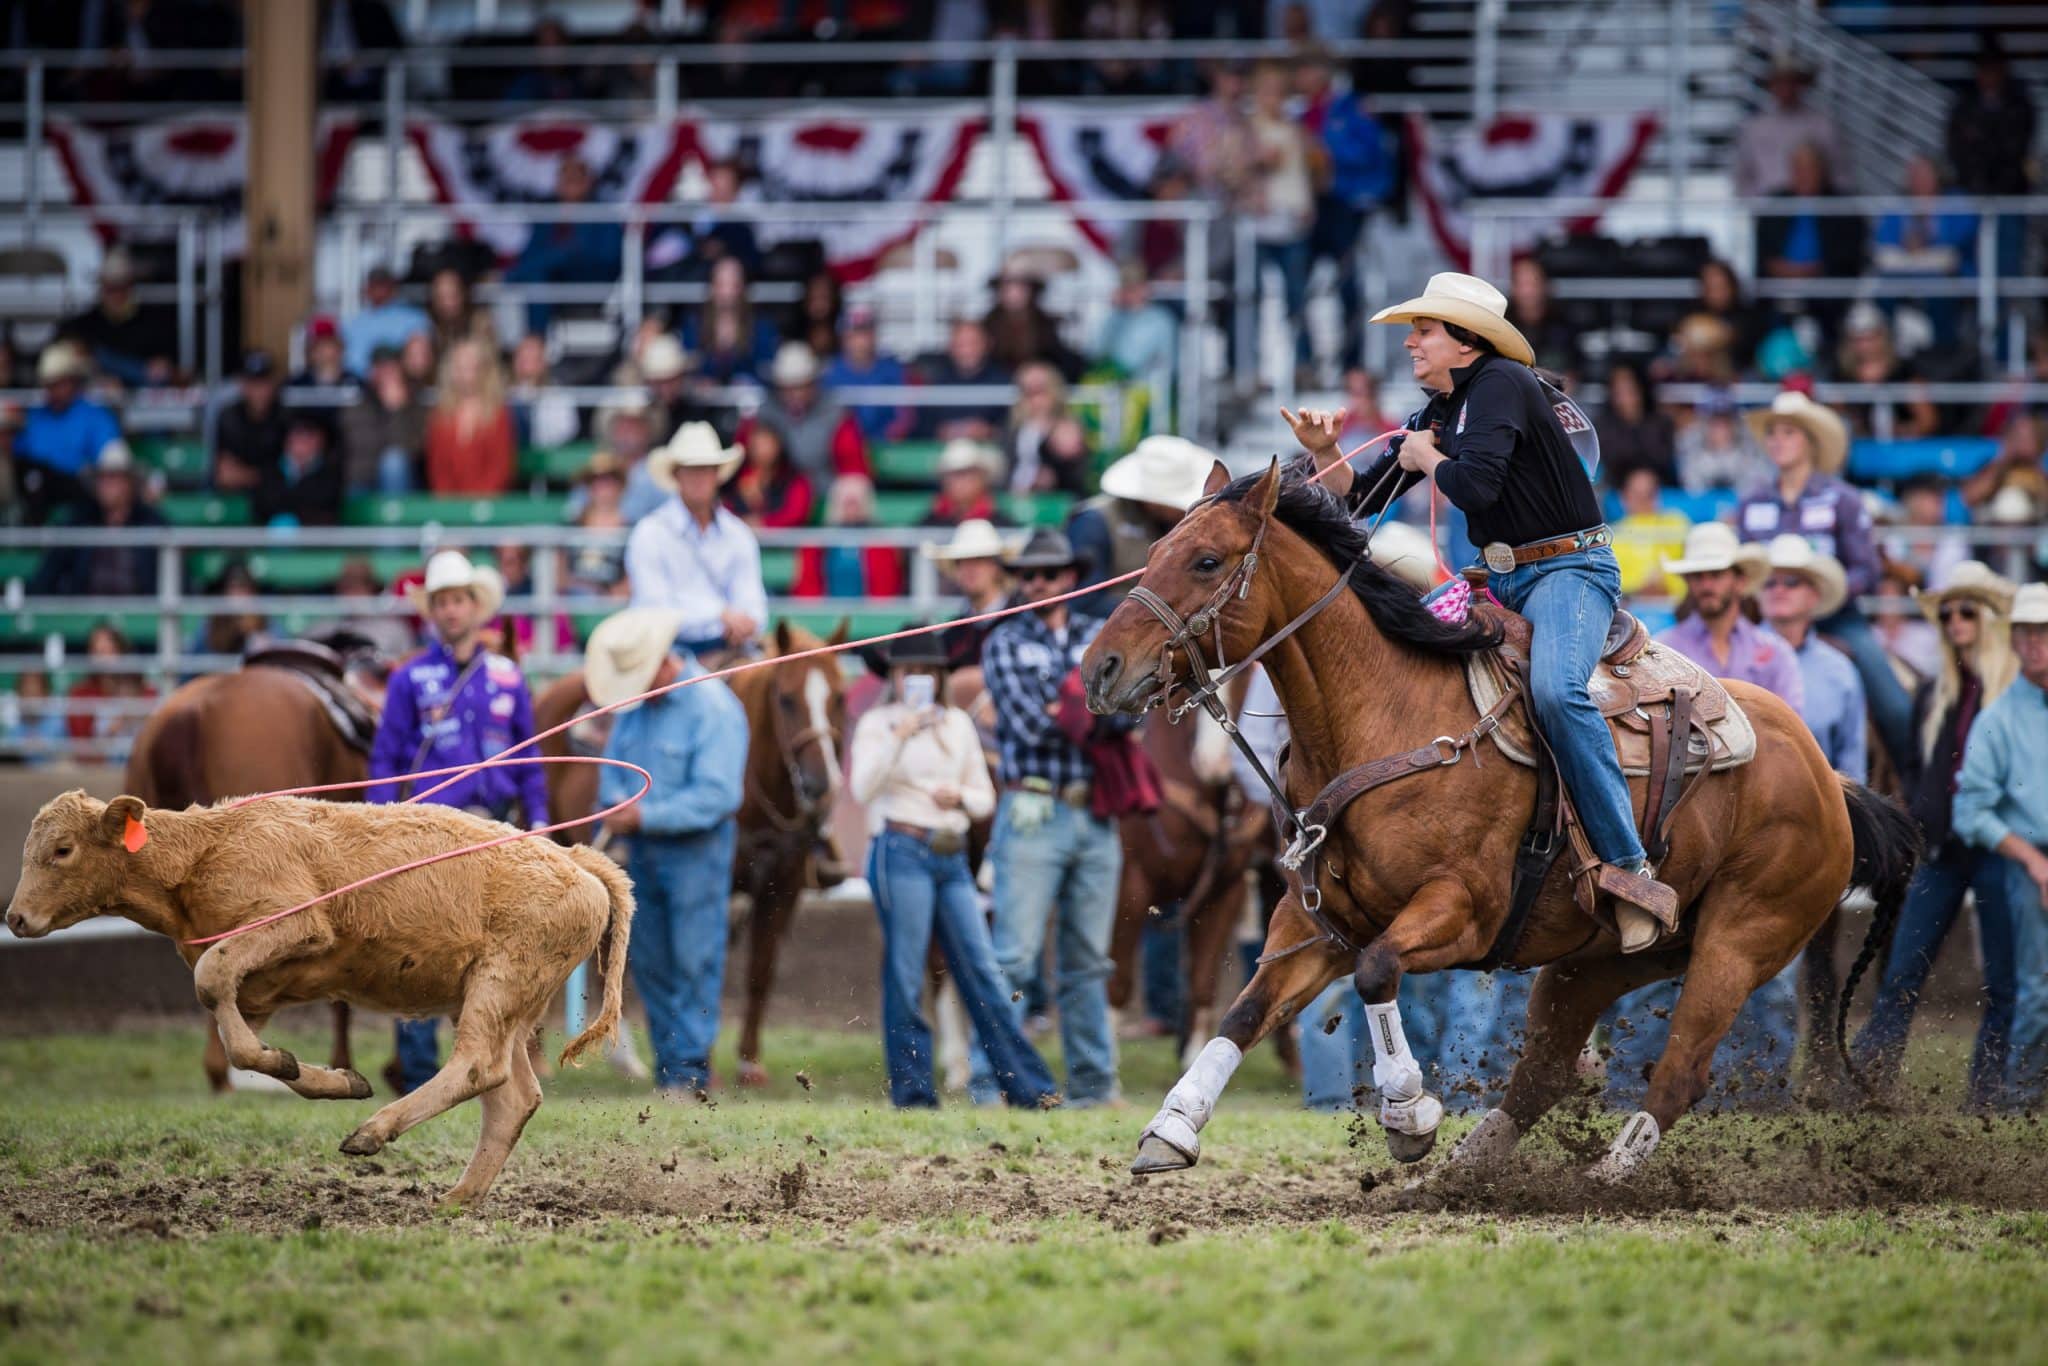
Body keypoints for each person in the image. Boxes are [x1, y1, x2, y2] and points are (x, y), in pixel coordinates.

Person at [1298, 271, 1678, 950]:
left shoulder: (1503, 385)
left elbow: (1474, 484)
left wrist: (1428, 454)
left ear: (1466, 341)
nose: (1411, 342)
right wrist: (1326, 451)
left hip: (1569, 568)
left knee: (1559, 694)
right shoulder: (1443, 406)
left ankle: (1628, 867)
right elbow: (1362, 501)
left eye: (1425, 330)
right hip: (1503, 579)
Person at [1605, 526, 1808, 1108]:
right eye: (1697, 576)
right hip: (1683, 831)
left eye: (1716, 575)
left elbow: (1793, 753)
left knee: (1764, 978)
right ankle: (1628, 1094)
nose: (1707, 585)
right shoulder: (1661, 648)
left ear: (1738, 582)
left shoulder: (1772, 654)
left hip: (1757, 836)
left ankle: (1761, 1099)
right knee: (1648, 971)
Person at [367, 550, 551, 1093]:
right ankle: (420, 1070)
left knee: (495, 948)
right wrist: (378, 820)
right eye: (442, 602)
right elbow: (387, 757)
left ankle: (490, 1061)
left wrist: (538, 819)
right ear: (433, 611)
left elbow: (529, 759)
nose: (451, 611)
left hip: (493, 828)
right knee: (417, 946)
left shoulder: (507, 677)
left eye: (459, 601)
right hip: (428, 830)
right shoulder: (410, 679)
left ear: (477, 607)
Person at [850, 634, 1060, 1109]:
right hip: (900, 847)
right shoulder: (878, 724)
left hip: (948, 853)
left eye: (926, 670)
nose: (917, 679)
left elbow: (984, 797)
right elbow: (863, 788)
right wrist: (901, 738)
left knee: (982, 969)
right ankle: (914, 1092)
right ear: (895, 676)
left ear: (939, 676)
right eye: (908, 671)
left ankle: (1029, 1089)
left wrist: (959, 797)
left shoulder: (959, 724)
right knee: (907, 973)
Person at [1852, 562, 2020, 1106]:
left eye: (1966, 610)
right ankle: (1870, 1081)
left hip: (2000, 849)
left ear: (1991, 619)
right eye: (1947, 611)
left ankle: (1988, 1093)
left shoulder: (2014, 697)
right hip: (1943, 852)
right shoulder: (1937, 693)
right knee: (1901, 973)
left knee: (2004, 980)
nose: (1953, 620)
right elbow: (1918, 770)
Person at [980, 528, 1130, 1106]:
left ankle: (1094, 1084)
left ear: (1069, 578)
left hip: (1091, 809)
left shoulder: (1101, 633)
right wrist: (1095, 708)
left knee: (1089, 960)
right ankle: (989, 1080)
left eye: (1048, 574)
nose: (1037, 584)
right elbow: (1027, 723)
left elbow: (1130, 710)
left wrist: (1074, 707)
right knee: (1013, 955)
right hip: (1033, 805)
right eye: (1027, 576)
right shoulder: (1003, 640)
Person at [588, 606, 749, 1095]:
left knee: (694, 959)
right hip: (644, 851)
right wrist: (616, 804)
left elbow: (719, 795)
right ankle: (671, 1065)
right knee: (653, 958)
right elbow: (613, 769)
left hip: (696, 851)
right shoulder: (638, 709)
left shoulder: (713, 707)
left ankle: (690, 1067)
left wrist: (643, 814)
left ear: (662, 662)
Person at [1735, 389, 1912, 773]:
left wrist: (1820, 598)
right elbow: (1743, 569)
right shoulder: (1752, 503)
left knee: (1897, 709)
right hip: (1765, 620)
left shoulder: (1843, 500)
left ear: (1810, 442)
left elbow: (1867, 569)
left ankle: (1917, 800)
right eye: (1773, 433)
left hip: (1838, 620)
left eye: (1789, 433)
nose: (1778, 441)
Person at [1956, 583, 2048, 1106]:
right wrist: (2035, 862)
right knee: (2036, 991)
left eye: (2044, 633)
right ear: (2013, 641)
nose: (2035, 643)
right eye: (2027, 633)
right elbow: (1970, 813)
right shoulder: (1999, 719)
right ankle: (2023, 1100)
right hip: (2028, 862)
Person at [625, 423, 767, 657]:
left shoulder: (738, 534)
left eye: (706, 469)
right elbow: (655, 610)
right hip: (667, 652)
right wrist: (720, 615)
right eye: (691, 470)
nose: (699, 478)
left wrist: (743, 622)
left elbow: (754, 607)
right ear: (676, 475)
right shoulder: (650, 533)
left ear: (717, 475)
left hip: (729, 648)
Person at [1066, 435, 1223, 618]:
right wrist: (1164, 609)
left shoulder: (1176, 523)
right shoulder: (1094, 522)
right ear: (1154, 501)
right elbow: (1084, 602)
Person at [1758, 535, 1866, 782]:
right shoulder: (1734, 654)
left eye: (1792, 582)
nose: (1779, 590)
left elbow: (1852, 762)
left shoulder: (1840, 670)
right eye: (1769, 583)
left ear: (1814, 596)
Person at [505, 157, 625, 336]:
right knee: (536, 277)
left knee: (542, 266)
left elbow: (609, 257)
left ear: (588, 182)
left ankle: (535, 337)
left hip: (591, 281)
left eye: (576, 178)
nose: (570, 183)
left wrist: (566, 255)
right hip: (553, 282)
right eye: (565, 178)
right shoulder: (547, 214)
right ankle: (535, 342)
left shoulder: (604, 214)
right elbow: (531, 252)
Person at [747, 341, 872, 489]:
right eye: (788, 387)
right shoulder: (766, 413)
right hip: (777, 498)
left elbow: (854, 472)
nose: (794, 394)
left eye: (800, 386)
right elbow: (747, 462)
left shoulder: (835, 415)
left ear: (813, 383)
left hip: (826, 499)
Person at [17, 343, 120, 521]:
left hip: (81, 491)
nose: (54, 391)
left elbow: (108, 459)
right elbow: (20, 455)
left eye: (59, 383)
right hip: (38, 490)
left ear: (73, 381)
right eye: (49, 385)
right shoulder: (35, 417)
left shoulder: (95, 416)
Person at [57, 248, 177, 388]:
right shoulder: (84, 324)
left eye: (120, 287)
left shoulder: (154, 323)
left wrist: (162, 363)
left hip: (143, 392)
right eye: (110, 288)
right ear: (102, 288)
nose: (115, 295)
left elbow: (168, 362)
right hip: (98, 392)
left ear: (130, 287)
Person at [1733, 56, 1843, 199]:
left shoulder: (1822, 124)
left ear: (1801, 85)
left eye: (1791, 82)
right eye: (1780, 82)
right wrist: (1758, 206)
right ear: (1771, 86)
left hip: (1813, 208)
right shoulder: (1755, 127)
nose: (1786, 88)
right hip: (1770, 210)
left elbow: (1839, 173)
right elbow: (1742, 174)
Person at [424, 338, 516, 495]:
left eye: (470, 366)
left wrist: (477, 504)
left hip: (488, 506)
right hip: (448, 507)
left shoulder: (498, 414)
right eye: (459, 367)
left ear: (483, 370)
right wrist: (449, 503)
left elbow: (500, 468)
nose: (465, 373)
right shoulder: (441, 415)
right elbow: (437, 467)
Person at [338, 345, 427, 495]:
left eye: (391, 368)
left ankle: (394, 517)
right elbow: (362, 447)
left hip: (402, 483)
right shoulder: (358, 404)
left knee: (394, 462)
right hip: (362, 479)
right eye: (380, 367)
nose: (386, 374)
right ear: (371, 372)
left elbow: (411, 449)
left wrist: (396, 411)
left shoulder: (414, 405)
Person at [682, 257, 779, 384]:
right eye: (721, 284)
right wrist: (700, 381)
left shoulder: (761, 326)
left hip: (749, 399)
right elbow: (687, 367)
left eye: (734, 285)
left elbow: (767, 369)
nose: (727, 293)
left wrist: (746, 381)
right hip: (702, 401)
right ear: (711, 287)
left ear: (743, 287)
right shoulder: (694, 325)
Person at [822, 305, 910, 443]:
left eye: (865, 333)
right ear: (843, 337)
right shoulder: (830, 372)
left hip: (886, 446)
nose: (860, 341)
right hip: (844, 447)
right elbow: (824, 420)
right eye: (854, 334)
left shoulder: (892, 369)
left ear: (874, 336)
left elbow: (904, 416)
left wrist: (889, 437)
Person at [916, 319, 1008, 441]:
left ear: (987, 344)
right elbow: (919, 429)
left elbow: (1013, 426)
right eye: (960, 344)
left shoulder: (1003, 383)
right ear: (950, 347)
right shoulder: (935, 383)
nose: (967, 350)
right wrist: (940, 432)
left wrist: (990, 431)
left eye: (973, 343)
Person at [1610, 466, 1690, 603]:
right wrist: (1640, 587)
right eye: (1637, 494)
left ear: (1657, 494)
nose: (1642, 500)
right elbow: (1614, 582)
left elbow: (1689, 568)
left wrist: (1665, 584)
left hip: (1676, 603)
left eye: (1648, 493)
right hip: (1632, 606)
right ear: (1624, 496)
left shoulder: (1676, 523)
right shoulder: (1614, 534)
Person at [214, 349, 288, 494]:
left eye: (263, 383)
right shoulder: (229, 417)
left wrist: (248, 475)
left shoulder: (285, 417)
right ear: (242, 385)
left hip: (278, 497)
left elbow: (291, 474)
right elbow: (225, 476)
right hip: (236, 496)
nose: (259, 391)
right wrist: (263, 475)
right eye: (253, 383)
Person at [1594, 359, 1676, 489]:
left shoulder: (1662, 422)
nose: (1624, 397)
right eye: (1618, 391)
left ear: (1640, 388)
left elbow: (1664, 459)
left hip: (1658, 489)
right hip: (1617, 490)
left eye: (1629, 389)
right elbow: (1612, 460)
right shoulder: (1603, 425)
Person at [253, 413, 345, 527]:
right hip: (271, 535)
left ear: (321, 441)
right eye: (298, 435)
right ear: (287, 441)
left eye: (309, 436)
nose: (302, 442)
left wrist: (287, 501)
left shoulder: (331, 472)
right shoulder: (271, 469)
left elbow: (324, 504)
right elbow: (263, 504)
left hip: (313, 538)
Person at [341, 265, 431, 378]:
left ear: (393, 287)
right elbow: (349, 362)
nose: (379, 289)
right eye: (374, 285)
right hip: (360, 385)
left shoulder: (415, 319)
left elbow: (420, 359)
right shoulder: (352, 324)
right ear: (366, 289)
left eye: (383, 284)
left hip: (404, 385)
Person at [1675, 389, 1766, 496]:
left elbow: (1756, 488)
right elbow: (1692, 493)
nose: (1720, 428)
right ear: (1704, 423)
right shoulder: (1689, 449)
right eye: (1714, 422)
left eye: (1725, 421)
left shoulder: (1750, 450)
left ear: (1734, 423)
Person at [508, 333, 581, 451]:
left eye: (533, 358)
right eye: (522, 358)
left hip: (548, 463)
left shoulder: (560, 397)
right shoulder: (504, 396)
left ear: (544, 362)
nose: (526, 364)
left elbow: (567, 431)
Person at [922, 439, 1007, 529]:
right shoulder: (928, 525)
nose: (961, 481)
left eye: (967, 473)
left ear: (983, 478)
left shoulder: (1002, 525)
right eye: (955, 474)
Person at [426, 267, 497, 358]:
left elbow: (490, 357)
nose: (448, 303)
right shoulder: (427, 328)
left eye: (452, 295)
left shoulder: (481, 323)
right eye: (442, 297)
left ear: (463, 295)